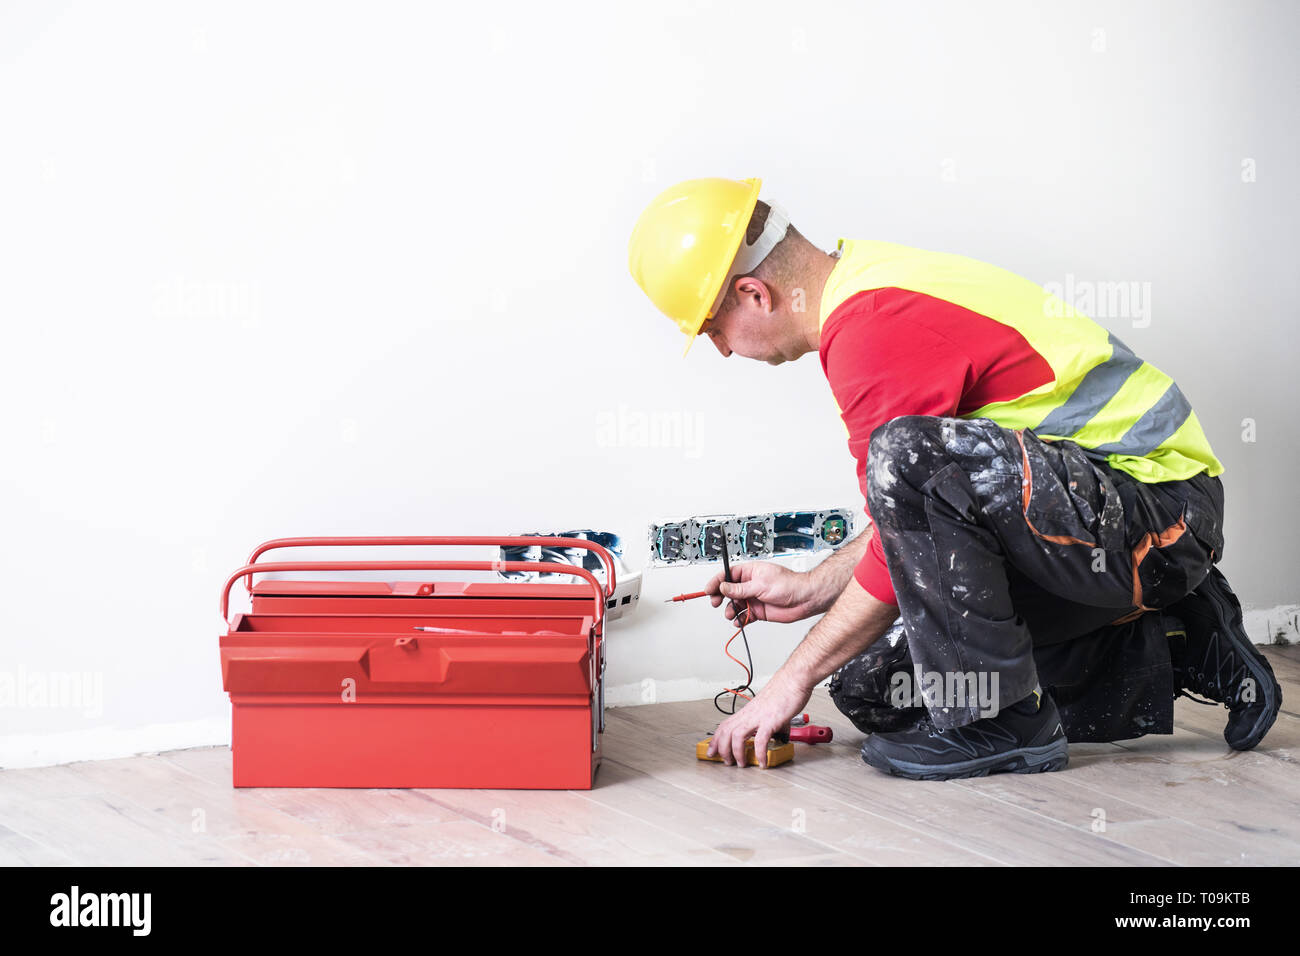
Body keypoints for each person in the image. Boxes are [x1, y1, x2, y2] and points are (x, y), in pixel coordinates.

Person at [626, 176, 1281, 780]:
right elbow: (922, 511)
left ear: (753, 293)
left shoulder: (872, 326)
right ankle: (1180, 639)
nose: (719, 347)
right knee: (869, 685)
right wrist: (812, 587)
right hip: (1090, 526)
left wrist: (787, 682)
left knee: (901, 456)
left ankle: (1003, 724)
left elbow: (912, 480)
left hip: (1161, 514)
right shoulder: (863, 285)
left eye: (712, 327)